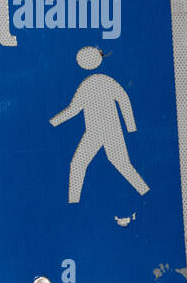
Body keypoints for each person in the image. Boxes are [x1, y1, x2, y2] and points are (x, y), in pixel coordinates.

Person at [49, 47, 149, 204]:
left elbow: (123, 99)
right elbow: (75, 109)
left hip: (109, 131)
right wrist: (53, 123)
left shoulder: (96, 83)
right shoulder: (93, 83)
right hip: (95, 132)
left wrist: (131, 126)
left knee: (119, 163)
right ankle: (73, 203)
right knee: (79, 163)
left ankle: (146, 193)